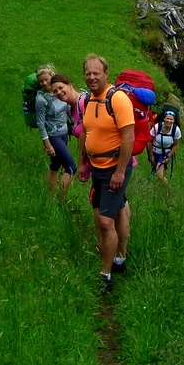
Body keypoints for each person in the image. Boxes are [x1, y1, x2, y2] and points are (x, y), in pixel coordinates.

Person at [78, 53, 134, 295]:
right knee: (119, 209)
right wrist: (82, 162)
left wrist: (120, 171)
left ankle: (106, 275)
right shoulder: (88, 101)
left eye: (96, 73)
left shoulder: (118, 99)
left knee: (104, 221)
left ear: (106, 74)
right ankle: (120, 259)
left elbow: (128, 136)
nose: (91, 77)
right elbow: (85, 132)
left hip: (114, 168)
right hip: (97, 169)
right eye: (88, 73)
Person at [35, 66, 76, 195]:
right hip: (53, 136)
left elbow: (68, 110)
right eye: (41, 81)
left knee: (55, 166)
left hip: (63, 133)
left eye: (46, 79)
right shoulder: (41, 99)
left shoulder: (59, 92)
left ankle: (49, 194)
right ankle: (61, 197)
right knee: (71, 167)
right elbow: (40, 123)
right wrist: (47, 145)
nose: (45, 83)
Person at [148, 109, 181, 184]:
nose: (169, 121)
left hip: (165, 153)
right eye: (167, 118)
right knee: (156, 170)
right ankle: (160, 191)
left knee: (159, 174)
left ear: (174, 120)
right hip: (155, 151)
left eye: (171, 119)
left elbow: (175, 145)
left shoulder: (176, 130)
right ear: (164, 119)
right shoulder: (157, 127)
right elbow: (149, 141)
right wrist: (151, 155)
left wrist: (168, 156)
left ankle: (169, 190)